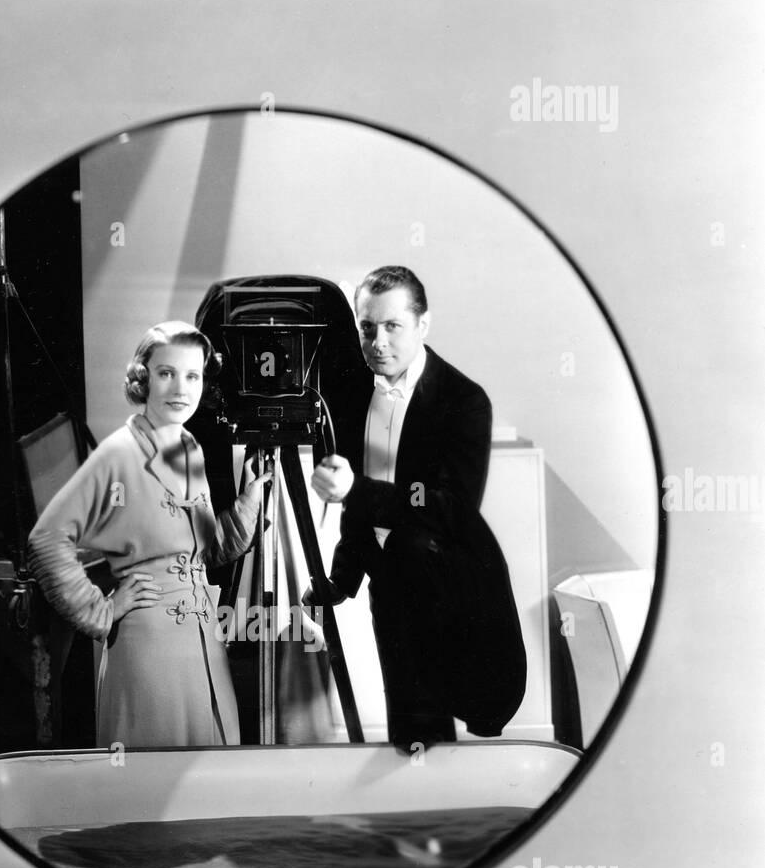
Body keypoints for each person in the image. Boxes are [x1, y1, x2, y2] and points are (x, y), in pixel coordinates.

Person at [308, 265, 526, 747]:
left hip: (449, 581)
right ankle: (415, 815)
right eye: (367, 328)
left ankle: (441, 813)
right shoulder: (350, 393)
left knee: (432, 714)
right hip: (388, 574)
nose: (377, 342)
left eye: (392, 326)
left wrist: (356, 489)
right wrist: (342, 579)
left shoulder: (465, 401)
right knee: (406, 721)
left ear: (423, 325)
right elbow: (358, 508)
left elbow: (450, 507)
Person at [27, 321, 270, 747]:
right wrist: (101, 611)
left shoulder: (189, 448)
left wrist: (248, 501)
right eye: (166, 373)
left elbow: (206, 553)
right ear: (143, 379)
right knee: (154, 790)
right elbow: (46, 539)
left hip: (204, 648)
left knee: (206, 786)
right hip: (149, 653)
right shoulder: (120, 453)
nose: (181, 388)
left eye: (192, 375)